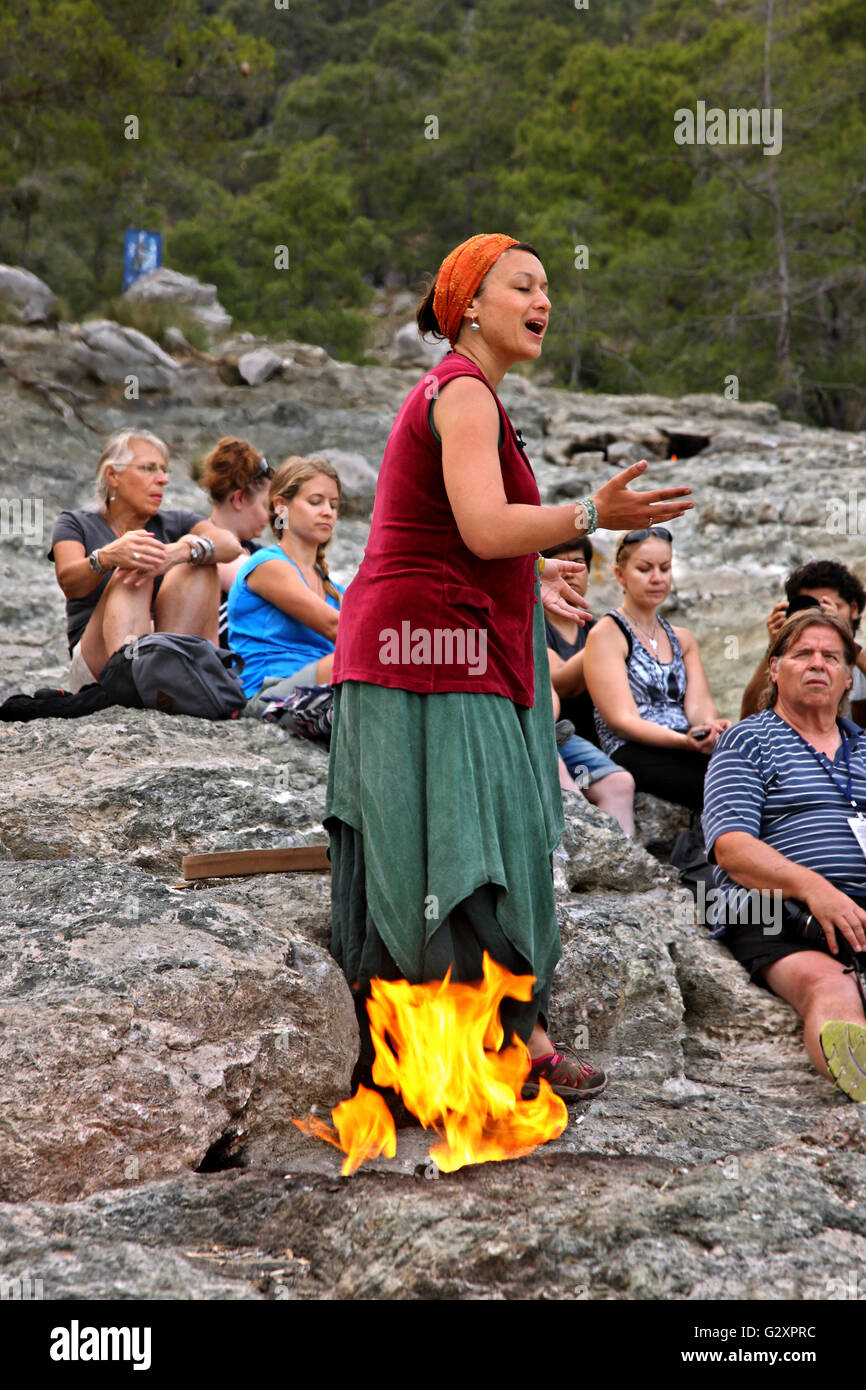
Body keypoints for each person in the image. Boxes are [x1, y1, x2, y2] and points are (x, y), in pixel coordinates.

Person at [325, 232, 693, 1103]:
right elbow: (485, 526)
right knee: (454, 844)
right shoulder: (462, 393)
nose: (544, 301)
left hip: (451, 644)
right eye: (523, 285)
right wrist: (586, 515)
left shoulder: (472, 395)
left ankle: (501, 1042)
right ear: (469, 307)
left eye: (548, 288)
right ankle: (460, 1059)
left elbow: (467, 537)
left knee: (475, 838)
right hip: (422, 654)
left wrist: (532, 579)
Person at [703, 610, 866, 1100]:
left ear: (848, 677)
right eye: (802, 654)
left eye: (831, 657)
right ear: (774, 668)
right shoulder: (747, 739)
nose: (818, 664)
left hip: (857, 911)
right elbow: (730, 847)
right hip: (780, 914)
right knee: (833, 986)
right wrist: (815, 888)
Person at [49, 429, 241, 692]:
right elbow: (70, 582)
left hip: (162, 646)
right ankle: (132, 679)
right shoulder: (74, 522)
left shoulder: (178, 521)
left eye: (164, 470)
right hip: (97, 661)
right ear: (113, 475)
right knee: (134, 566)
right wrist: (108, 558)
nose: (163, 480)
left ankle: (169, 677)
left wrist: (180, 551)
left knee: (200, 562)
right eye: (149, 469)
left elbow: (231, 545)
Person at [583, 527, 729, 812]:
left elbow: (701, 708)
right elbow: (622, 721)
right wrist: (683, 741)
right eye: (644, 569)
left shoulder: (682, 638)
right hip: (633, 749)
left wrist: (710, 727)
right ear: (620, 575)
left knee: (749, 768)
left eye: (665, 568)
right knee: (718, 784)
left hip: (685, 743)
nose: (657, 578)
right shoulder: (606, 634)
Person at [227, 456, 343, 706]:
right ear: (281, 507)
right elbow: (336, 627)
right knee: (355, 661)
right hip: (267, 694)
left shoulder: (336, 592)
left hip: (322, 692)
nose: (327, 512)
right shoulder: (267, 565)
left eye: (333, 505)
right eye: (315, 501)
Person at [544, 536, 636, 835]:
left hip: (599, 743)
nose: (570, 571)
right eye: (560, 562)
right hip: (557, 739)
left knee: (619, 783)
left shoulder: (599, 629)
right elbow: (560, 680)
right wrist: (615, 631)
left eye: (579, 563)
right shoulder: (534, 626)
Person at [741, 560, 866, 724]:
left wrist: (845, 641)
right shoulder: (790, 665)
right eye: (810, 608)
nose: (819, 616)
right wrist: (776, 646)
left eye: (829, 607)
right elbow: (748, 718)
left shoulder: (860, 660)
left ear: (854, 609)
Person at [198, 437, 271, 647]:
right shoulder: (200, 547)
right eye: (265, 506)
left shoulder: (257, 553)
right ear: (238, 499)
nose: (270, 516)